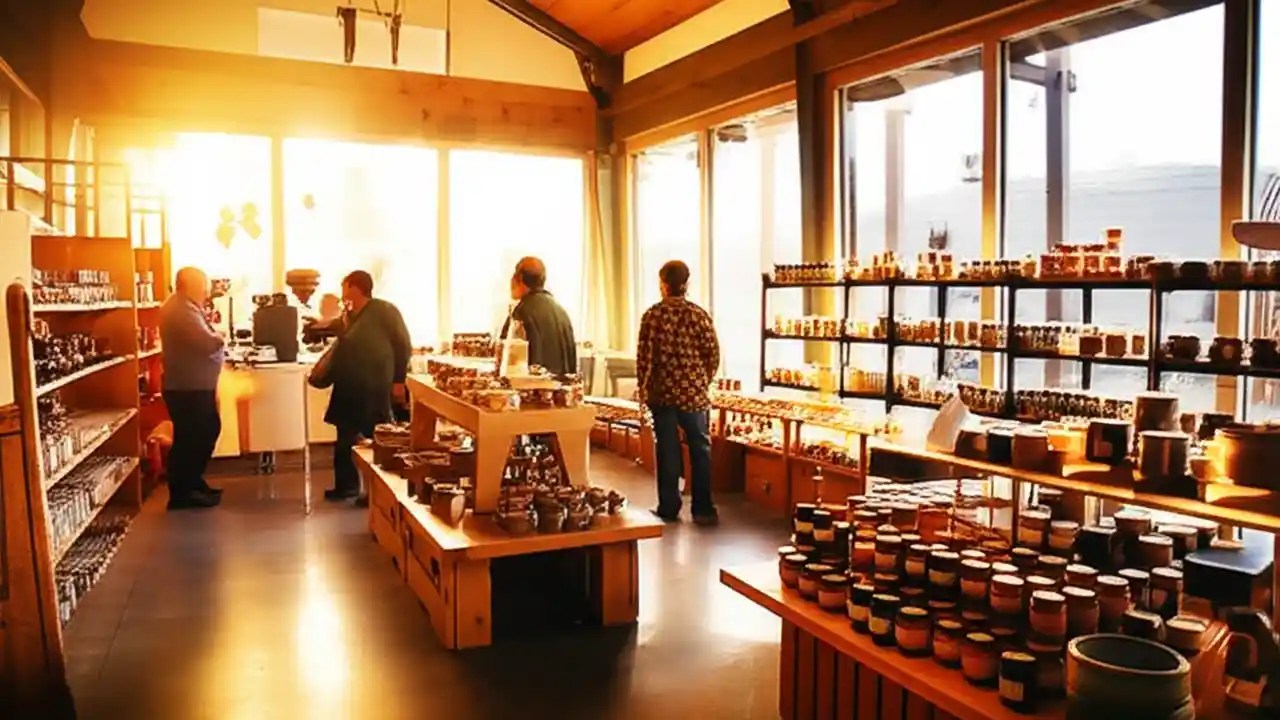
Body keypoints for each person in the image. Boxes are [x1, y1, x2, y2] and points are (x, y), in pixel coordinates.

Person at [636, 260, 721, 526]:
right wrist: (701, 381)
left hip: (662, 395)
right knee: (700, 449)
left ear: (663, 284)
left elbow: (644, 358)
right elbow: (713, 353)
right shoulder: (699, 315)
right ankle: (703, 507)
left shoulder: (653, 316)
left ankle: (669, 507)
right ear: (687, 283)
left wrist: (643, 388)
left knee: (668, 449)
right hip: (694, 395)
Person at [324, 270, 411, 502]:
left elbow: (403, 344)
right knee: (345, 438)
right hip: (349, 386)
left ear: (355, 287)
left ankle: (378, 491)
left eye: (345, 287)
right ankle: (347, 486)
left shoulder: (384, 311)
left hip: (374, 387)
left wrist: (399, 380)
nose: (343, 293)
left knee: (379, 438)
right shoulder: (351, 314)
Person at [160, 267, 226, 510]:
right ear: (189, 285)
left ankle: (192, 483)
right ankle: (183, 492)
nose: (206, 291)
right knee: (193, 437)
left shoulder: (186, 307)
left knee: (202, 433)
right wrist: (221, 337)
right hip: (188, 388)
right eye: (203, 285)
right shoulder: (181, 310)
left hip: (193, 385)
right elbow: (206, 342)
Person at [499, 256, 577, 376]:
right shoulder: (561, 312)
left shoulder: (522, 311)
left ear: (519, 277)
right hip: (561, 392)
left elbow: (509, 362)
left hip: (535, 390)